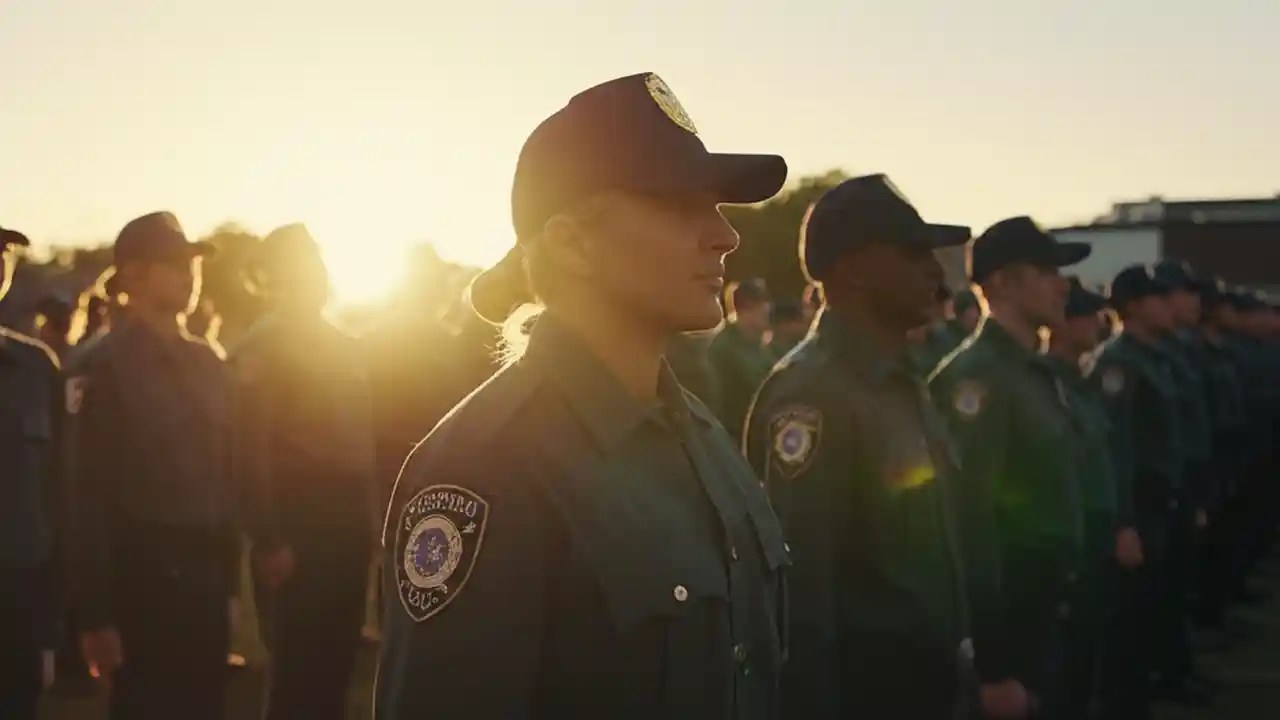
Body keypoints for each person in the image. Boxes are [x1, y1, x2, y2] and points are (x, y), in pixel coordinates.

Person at [375, 72, 791, 718]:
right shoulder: (485, 467)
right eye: (682, 205)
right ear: (572, 243)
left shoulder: (700, 433)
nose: (725, 235)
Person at [743, 175, 973, 717]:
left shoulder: (898, 380)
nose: (935, 274)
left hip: (929, 685)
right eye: (913, 253)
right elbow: (800, 602)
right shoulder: (812, 395)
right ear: (854, 269)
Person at [61, 211, 237, 720]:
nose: (188, 274)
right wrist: (95, 615)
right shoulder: (100, 366)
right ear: (134, 274)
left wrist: (226, 586)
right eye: (173, 263)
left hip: (202, 578)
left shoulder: (209, 363)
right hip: (141, 582)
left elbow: (221, 480)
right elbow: (84, 495)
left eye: (191, 263)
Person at [929, 216, 1092, 718]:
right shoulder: (978, 376)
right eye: (1046, 270)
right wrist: (994, 667)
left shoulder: (1030, 370)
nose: (1061, 284)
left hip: (1050, 607)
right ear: (1001, 283)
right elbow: (969, 523)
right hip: (1013, 622)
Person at [229, 223, 377, 720]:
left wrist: (368, 524)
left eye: (316, 262)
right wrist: (269, 539)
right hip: (297, 523)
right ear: (275, 278)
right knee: (297, 674)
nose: (315, 274)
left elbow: (362, 440)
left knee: (335, 668)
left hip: (346, 525)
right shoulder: (261, 348)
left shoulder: (342, 343)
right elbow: (248, 450)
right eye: (301, 266)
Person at [1088, 265, 1204, 711]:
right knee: (1131, 619)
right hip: (1140, 508)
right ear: (1134, 306)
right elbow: (1115, 449)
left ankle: (1156, 687)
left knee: (1160, 604)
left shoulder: (1155, 355)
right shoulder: (1119, 362)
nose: (1167, 305)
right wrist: (1124, 522)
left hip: (1164, 502)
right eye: (1157, 298)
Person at [1044, 277, 1143, 718]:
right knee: (1063, 675)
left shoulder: (1080, 382)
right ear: (1061, 324)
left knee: (1088, 663)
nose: (1096, 322)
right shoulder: (1049, 383)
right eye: (1084, 315)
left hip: (1096, 541)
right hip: (1070, 550)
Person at [0, 226, 62, 720]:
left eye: (2, 253)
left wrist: (48, 627)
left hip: (18, 594)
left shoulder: (36, 366)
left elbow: (58, 494)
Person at [710, 277, 775, 436]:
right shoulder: (724, 348)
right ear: (744, 310)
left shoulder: (763, 348)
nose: (767, 309)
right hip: (732, 436)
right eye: (759, 305)